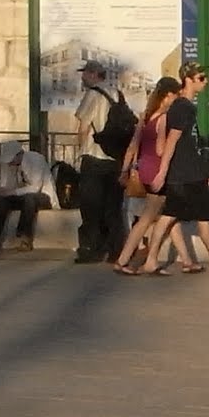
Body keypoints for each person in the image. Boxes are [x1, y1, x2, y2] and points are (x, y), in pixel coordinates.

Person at [142, 61, 209, 275]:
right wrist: (162, 172)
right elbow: (171, 141)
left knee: (177, 216)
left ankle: (153, 260)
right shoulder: (183, 108)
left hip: (188, 171)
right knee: (192, 217)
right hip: (185, 173)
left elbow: (174, 143)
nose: (205, 82)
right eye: (200, 78)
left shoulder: (183, 107)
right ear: (188, 80)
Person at [111, 77, 195, 275]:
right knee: (149, 218)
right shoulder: (164, 118)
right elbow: (160, 149)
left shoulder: (146, 116)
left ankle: (186, 260)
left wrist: (125, 170)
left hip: (144, 170)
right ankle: (124, 260)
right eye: (175, 95)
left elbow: (133, 145)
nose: (176, 99)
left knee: (167, 216)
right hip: (158, 172)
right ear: (167, 96)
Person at [72, 59, 129, 264]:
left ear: (94, 74)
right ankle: (116, 250)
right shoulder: (117, 94)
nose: (83, 77)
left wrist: (79, 153)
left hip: (94, 157)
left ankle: (91, 249)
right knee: (113, 207)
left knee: (90, 207)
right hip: (115, 159)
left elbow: (84, 127)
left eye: (85, 73)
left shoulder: (92, 94)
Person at [0, 141, 57, 253]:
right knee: (4, 200)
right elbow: (13, 187)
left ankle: (26, 238)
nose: (10, 163)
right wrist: (5, 191)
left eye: (11, 160)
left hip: (44, 196)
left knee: (29, 198)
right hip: (25, 196)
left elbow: (36, 188)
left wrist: (12, 191)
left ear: (19, 155)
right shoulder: (15, 166)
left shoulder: (36, 160)